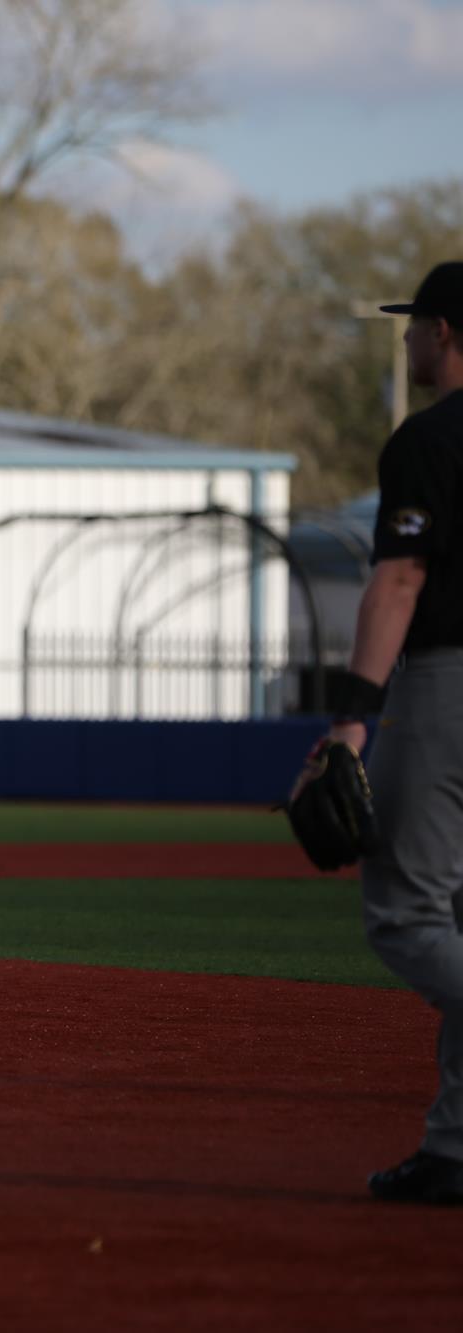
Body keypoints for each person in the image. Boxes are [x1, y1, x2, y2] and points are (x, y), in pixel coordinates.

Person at [326, 261, 463, 1205]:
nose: (409, 341)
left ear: (447, 332)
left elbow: (401, 581)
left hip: (450, 683)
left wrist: (351, 719)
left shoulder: (427, 439)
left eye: (416, 326)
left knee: (407, 913)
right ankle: (456, 1148)